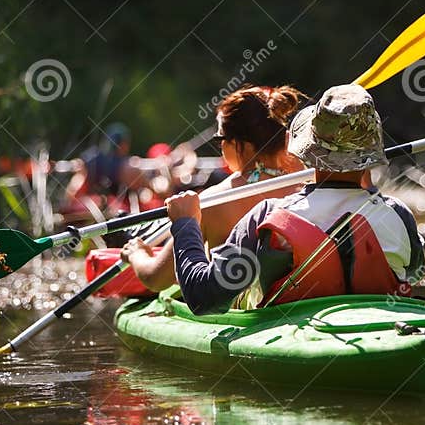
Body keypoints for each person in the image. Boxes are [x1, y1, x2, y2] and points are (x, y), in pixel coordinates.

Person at [161, 83, 424, 314]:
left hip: (296, 341)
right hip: (385, 328)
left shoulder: (268, 217)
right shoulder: (399, 215)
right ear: (370, 154)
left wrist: (185, 224)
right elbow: (411, 272)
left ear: (308, 150)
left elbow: (202, 298)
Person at [122, 85, 307, 291]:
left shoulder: (213, 200)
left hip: (239, 310)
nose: (220, 148)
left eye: (221, 139)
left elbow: (155, 278)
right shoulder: (307, 186)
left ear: (241, 144)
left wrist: (136, 253)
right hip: (296, 298)